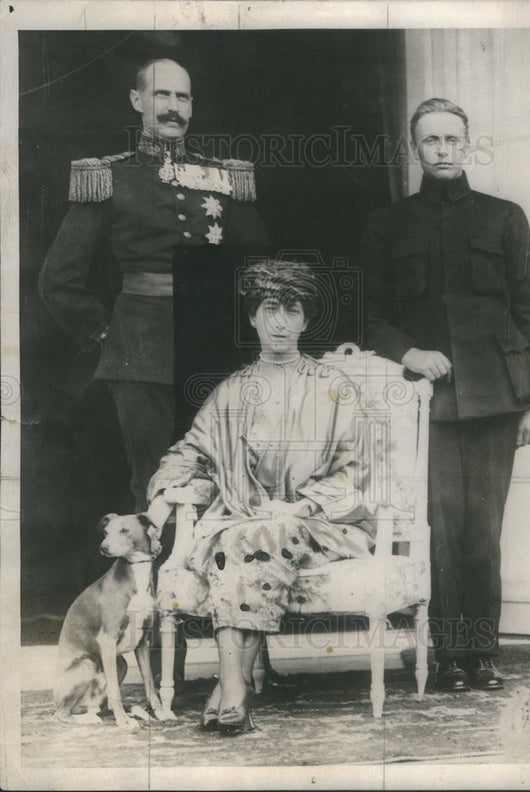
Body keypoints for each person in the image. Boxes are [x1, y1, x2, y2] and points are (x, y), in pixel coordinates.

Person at [38, 57, 270, 688]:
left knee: (234, 491)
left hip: (216, 358)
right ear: (136, 101)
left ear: (193, 106)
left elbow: (258, 268)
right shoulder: (107, 179)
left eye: (184, 96)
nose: (173, 106)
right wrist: (108, 335)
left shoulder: (225, 178)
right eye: (160, 94)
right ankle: (165, 657)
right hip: (140, 356)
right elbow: (58, 280)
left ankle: (247, 646)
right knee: (159, 498)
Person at [361, 98, 530, 692]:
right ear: (413, 149)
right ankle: (446, 653)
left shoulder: (505, 218)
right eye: (430, 140)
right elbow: (365, 313)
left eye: (452, 139)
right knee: (438, 529)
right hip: (427, 405)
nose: (442, 149)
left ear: (467, 145)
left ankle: (482, 652)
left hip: (496, 400)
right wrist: (409, 354)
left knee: (482, 531)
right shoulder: (388, 224)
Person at [145, 260, 376, 733]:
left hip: (321, 526)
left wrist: (301, 505)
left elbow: (357, 469)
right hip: (245, 524)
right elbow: (190, 452)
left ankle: (228, 688)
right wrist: (164, 497)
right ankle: (236, 688)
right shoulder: (231, 392)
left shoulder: (336, 388)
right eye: (269, 309)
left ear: (306, 319)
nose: (280, 322)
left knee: (252, 537)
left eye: (292, 310)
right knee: (243, 539)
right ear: (252, 316)